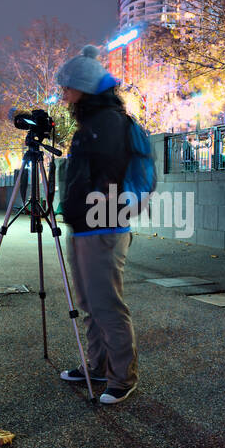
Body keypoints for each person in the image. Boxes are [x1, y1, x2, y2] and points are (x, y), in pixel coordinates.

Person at [54, 45, 142, 404]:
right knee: (90, 302)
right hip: (88, 225)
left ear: (85, 89)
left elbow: (107, 175)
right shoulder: (93, 122)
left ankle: (122, 377)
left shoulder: (108, 123)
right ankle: (97, 366)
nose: (64, 95)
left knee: (106, 304)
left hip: (104, 225)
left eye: (67, 88)